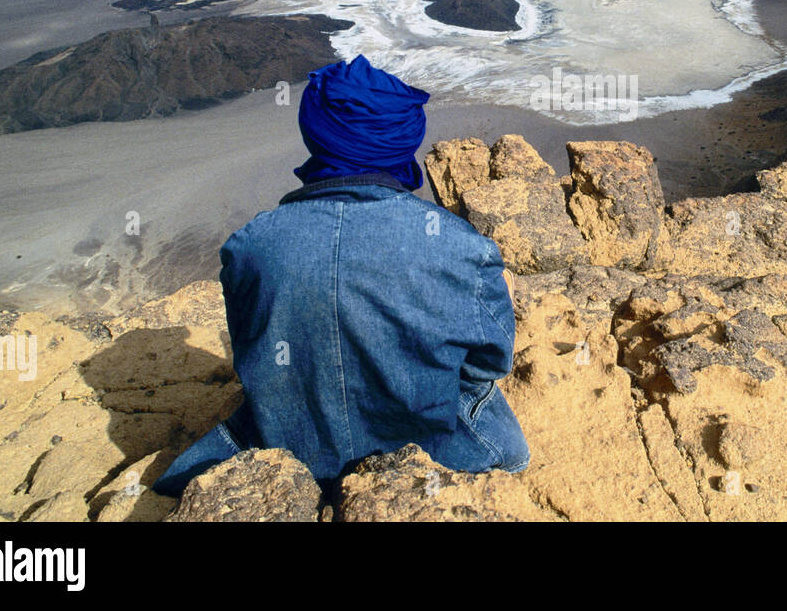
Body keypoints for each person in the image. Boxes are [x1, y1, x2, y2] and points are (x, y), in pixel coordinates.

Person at [153, 55, 529, 496]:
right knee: (512, 452)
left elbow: (250, 355)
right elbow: (492, 361)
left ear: (316, 131)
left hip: (293, 453)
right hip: (427, 450)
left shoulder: (250, 246)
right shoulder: (462, 247)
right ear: (403, 138)